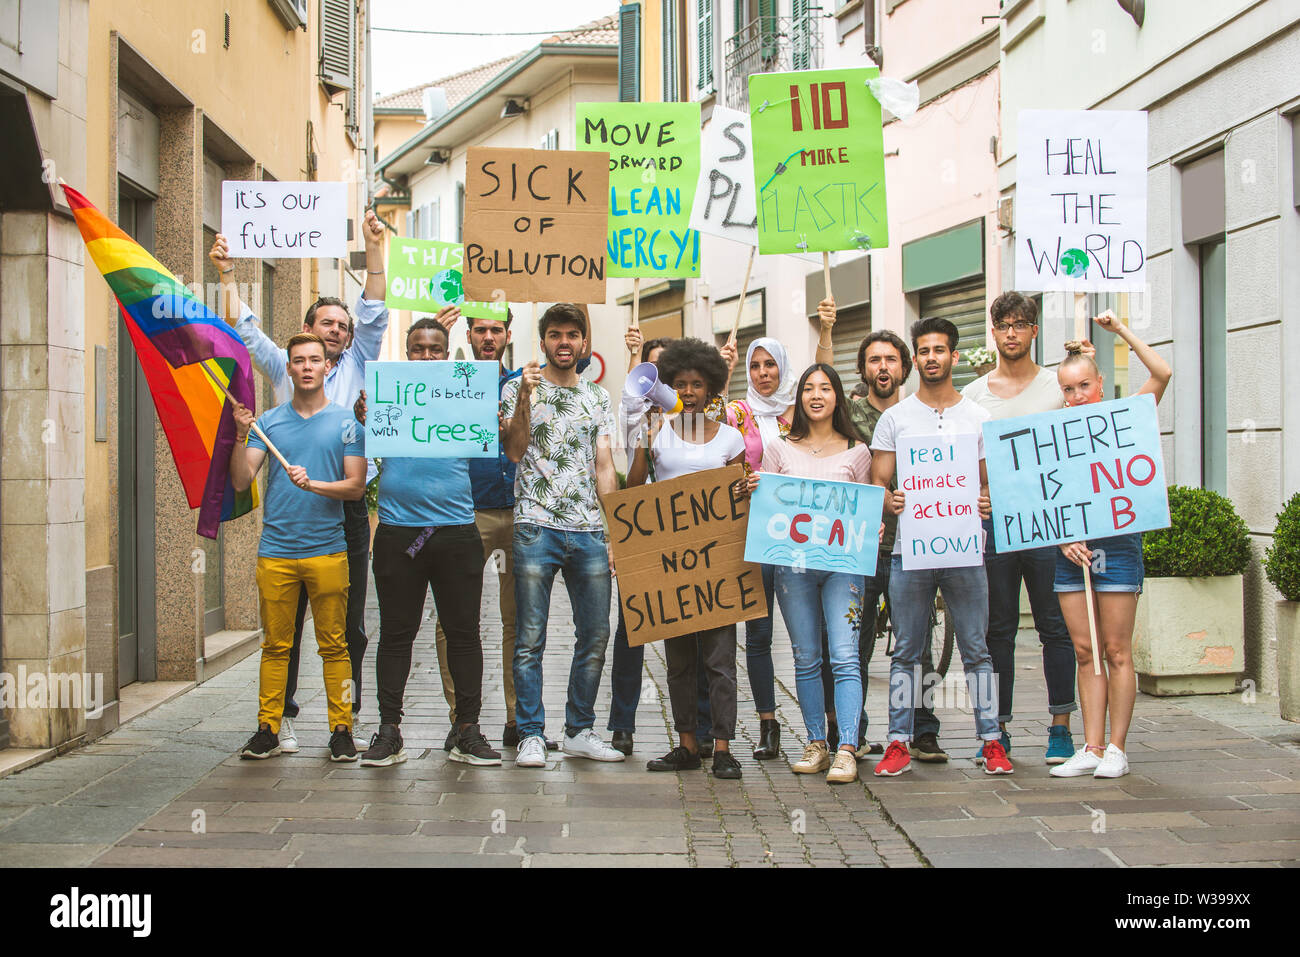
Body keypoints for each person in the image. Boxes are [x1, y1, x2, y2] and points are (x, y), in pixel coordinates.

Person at [209, 211, 388, 751]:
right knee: (281, 633)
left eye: (342, 326)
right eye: (326, 325)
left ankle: (344, 720)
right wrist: (224, 274)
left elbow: (375, 307)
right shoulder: (286, 369)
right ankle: (278, 718)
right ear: (303, 343)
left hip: (345, 512)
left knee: (347, 627)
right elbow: (246, 331)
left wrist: (375, 247)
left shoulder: (359, 359)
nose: (336, 331)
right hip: (288, 517)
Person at [351, 319, 499, 768]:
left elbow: (501, 445)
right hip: (400, 533)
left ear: (447, 352)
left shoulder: (467, 395)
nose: (428, 357)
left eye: (436, 349)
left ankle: (467, 728)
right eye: (419, 349)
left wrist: (491, 419)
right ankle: (389, 729)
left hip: (455, 530)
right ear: (408, 353)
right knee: (396, 633)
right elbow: (365, 443)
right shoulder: (386, 396)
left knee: (464, 633)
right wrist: (365, 415)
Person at [869, 316, 1011, 777]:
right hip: (910, 550)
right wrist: (889, 500)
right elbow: (879, 484)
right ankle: (898, 741)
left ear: (953, 356)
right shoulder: (895, 418)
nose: (932, 358)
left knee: (977, 648)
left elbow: (991, 484)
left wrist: (988, 499)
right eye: (924, 351)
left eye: (940, 350)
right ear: (916, 359)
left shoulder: (978, 418)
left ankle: (991, 741)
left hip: (965, 550)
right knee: (907, 649)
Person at [423, 306, 555, 753]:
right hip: (464, 511)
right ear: (468, 332)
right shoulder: (449, 379)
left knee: (519, 619)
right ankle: (461, 718)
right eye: (479, 329)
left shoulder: (526, 381)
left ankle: (519, 720)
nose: (487, 336)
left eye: (495, 329)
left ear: (508, 334)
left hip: (521, 510)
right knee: (454, 620)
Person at [230, 333, 366, 761]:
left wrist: (315, 483)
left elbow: (356, 487)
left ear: (328, 367)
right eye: (298, 361)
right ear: (288, 369)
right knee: (275, 645)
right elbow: (239, 481)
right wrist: (238, 436)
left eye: (315, 360)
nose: (307, 367)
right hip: (276, 551)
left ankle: (341, 729)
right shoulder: (267, 423)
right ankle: (268, 728)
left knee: (335, 645)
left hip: (328, 550)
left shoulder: (348, 422)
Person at [1050, 311, 1172, 780]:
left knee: (1117, 649)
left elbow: (1162, 373)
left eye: (1083, 385)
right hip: (1072, 553)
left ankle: (1118, 749)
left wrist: (1120, 331)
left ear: (1101, 382)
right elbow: (1043, 493)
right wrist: (1062, 536)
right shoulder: (1054, 433)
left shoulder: (1124, 419)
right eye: (1068, 388)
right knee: (1085, 650)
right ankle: (1092, 746)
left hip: (1118, 547)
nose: (1076, 395)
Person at [501, 303, 623, 767]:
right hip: (535, 526)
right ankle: (532, 733)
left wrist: (613, 533)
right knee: (530, 636)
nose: (565, 343)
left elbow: (605, 466)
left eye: (573, 335)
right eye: (556, 335)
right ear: (544, 341)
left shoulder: (598, 398)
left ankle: (579, 730)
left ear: (584, 342)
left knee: (594, 633)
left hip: (590, 530)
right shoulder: (518, 387)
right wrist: (526, 398)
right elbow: (514, 452)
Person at [963, 291, 1078, 766]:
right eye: (1003, 324)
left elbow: (1081, 444)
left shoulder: (1057, 387)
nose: (1011, 332)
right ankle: (998, 730)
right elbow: (965, 464)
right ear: (993, 333)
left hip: (1049, 524)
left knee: (1057, 628)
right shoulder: (973, 396)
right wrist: (977, 493)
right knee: (997, 631)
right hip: (994, 528)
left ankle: (1061, 727)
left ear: (1034, 331)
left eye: (1020, 323)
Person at [608, 329, 735, 755]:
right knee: (679, 659)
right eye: (680, 384)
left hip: (717, 562)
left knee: (718, 660)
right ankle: (686, 744)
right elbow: (636, 487)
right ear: (669, 387)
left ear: (712, 388)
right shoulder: (657, 432)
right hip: (672, 563)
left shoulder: (729, 438)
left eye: (698, 384)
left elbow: (742, 493)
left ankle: (722, 748)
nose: (689, 392)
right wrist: (643, 438)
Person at [752, 363, 871, 784]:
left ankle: (847, 748)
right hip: (792, 569)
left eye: (825, 388)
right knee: (806, 657)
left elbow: (866, 511)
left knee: (844, 656)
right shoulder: (780, 449)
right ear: (798, 398)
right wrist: (752, 492)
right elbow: (765, 509)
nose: (816, 395)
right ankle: (816, 742)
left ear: (838, 397)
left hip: (844, 571)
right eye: (808, 388)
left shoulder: (858, 452)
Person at [729, 298, 836, 761]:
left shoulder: (802, 410)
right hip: (754, 534)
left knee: (815, 633)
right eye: (755, 365)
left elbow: (829, 387)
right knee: (757, 633)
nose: (762, 372)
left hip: (802, 536)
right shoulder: (736, 414)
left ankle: (831, 722)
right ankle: (768, 723)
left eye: (770, 364)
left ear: (783, 367)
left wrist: (827, 331)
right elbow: (721, 461)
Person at [832, 330, 947, 760]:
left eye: (891, 360)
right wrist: (828, 331)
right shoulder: (847, 416)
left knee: (915, 643)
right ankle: (852, 732)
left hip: (914, 546)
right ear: (863, 369)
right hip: (859, 546)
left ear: (906, 367)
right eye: (874, 360)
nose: (883, 367)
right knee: (853, 644)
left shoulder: (922, 413)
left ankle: (922, 729)